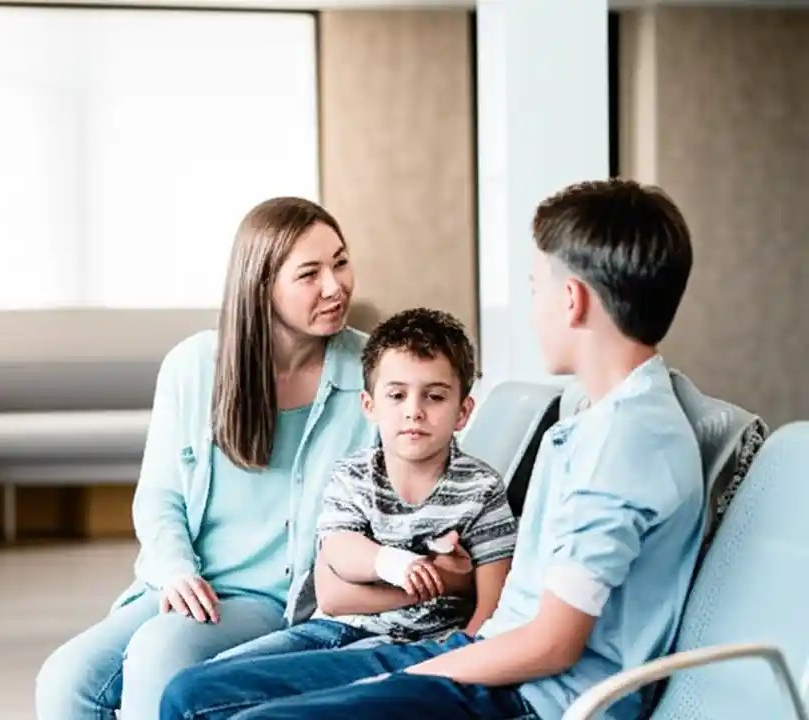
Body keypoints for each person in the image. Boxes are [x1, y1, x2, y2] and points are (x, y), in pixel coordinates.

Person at [159, 177, 704, 720]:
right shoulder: (601, 413)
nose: (529, 308)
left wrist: (405, 674)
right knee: (189, 697)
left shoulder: (624, 446)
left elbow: (552, 646)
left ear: (571, 299)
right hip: (482, 658)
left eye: (534, 288)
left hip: (528, 693)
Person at [34, 197, 377, 719]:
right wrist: (174, 571)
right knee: (66, 679)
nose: (335, 285)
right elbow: (159, 496)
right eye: (310, 273)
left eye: (341, 262)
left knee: (160, 656)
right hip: (188, 583)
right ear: (261, 286)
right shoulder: (194, 366)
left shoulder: (375, 372)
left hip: (280, 600)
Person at [212, 308, 515, 663]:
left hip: (421, 647)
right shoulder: (352, 476)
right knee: (211, 678)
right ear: (369, 406)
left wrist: (454, 666)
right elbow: (339, 554)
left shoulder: (482, 490)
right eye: (397, 395)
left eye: (434, 396)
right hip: (330, 629)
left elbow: (491, 609)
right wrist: (402, 566)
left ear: (462, 412)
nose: (413, 411)